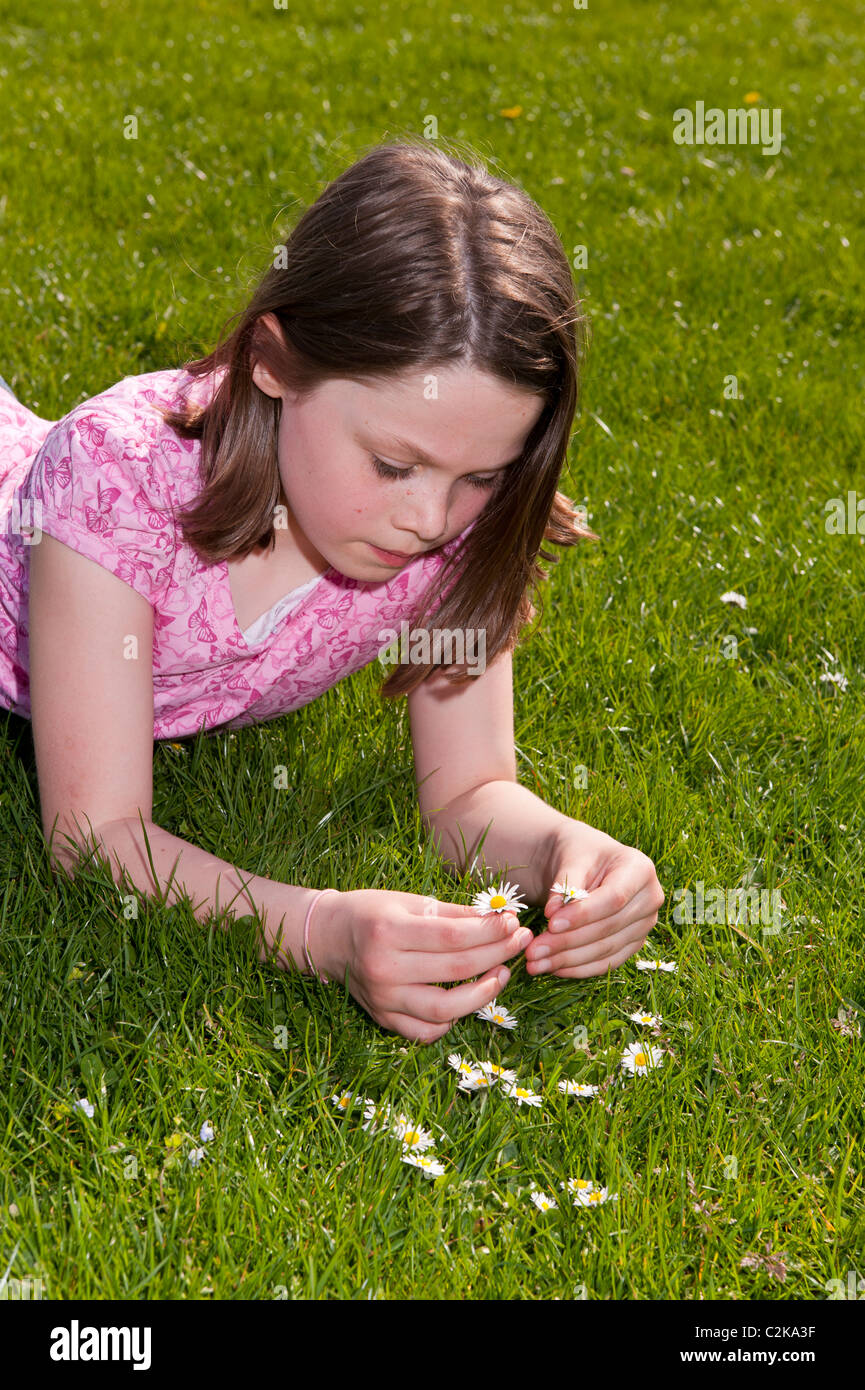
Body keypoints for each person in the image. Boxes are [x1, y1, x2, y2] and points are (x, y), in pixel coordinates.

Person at [0, 138, 664, 1044]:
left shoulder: (459, 516)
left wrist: (562, 852)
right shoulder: (117, 484)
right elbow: (97, 838)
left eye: (483, 475)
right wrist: (320, 928)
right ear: (272, 361)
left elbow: (468, 791)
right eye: (394, 463)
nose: (432, 517)